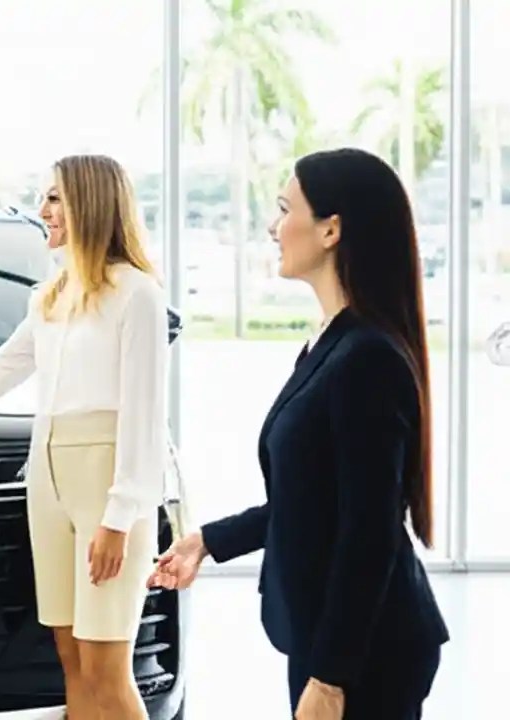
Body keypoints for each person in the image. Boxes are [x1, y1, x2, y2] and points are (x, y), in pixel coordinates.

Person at [147, 148, 450, 720]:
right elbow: (313, 499)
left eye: (285, 209)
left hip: (365, 653)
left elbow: (368, 532)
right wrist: (207, 541)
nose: (273, 226)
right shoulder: (332, 344)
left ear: (331, 230)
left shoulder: (366, 358)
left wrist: (331, 678)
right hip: (329, 636)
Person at [0, 154, 169, 720]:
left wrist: (119, 517)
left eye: (54, 198)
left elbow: (145, 416)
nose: (42, 211)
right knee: (72, 660)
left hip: (108, 489)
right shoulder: (49, 298)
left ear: (90, 204)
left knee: (107, 670)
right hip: (46, 480)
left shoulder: (137, 294)